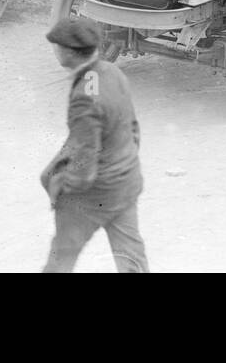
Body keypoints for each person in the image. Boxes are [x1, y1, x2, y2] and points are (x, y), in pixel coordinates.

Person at [41, 17, 148, 273]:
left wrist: (62, 186)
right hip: (126, 182)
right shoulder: (111, 72)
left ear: (68, 52)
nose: (55, 50)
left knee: (61, 257)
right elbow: (133, 130)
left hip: (94, 195)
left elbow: (84, 164)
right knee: (132, 259)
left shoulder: (84, 99)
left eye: (57, 46)